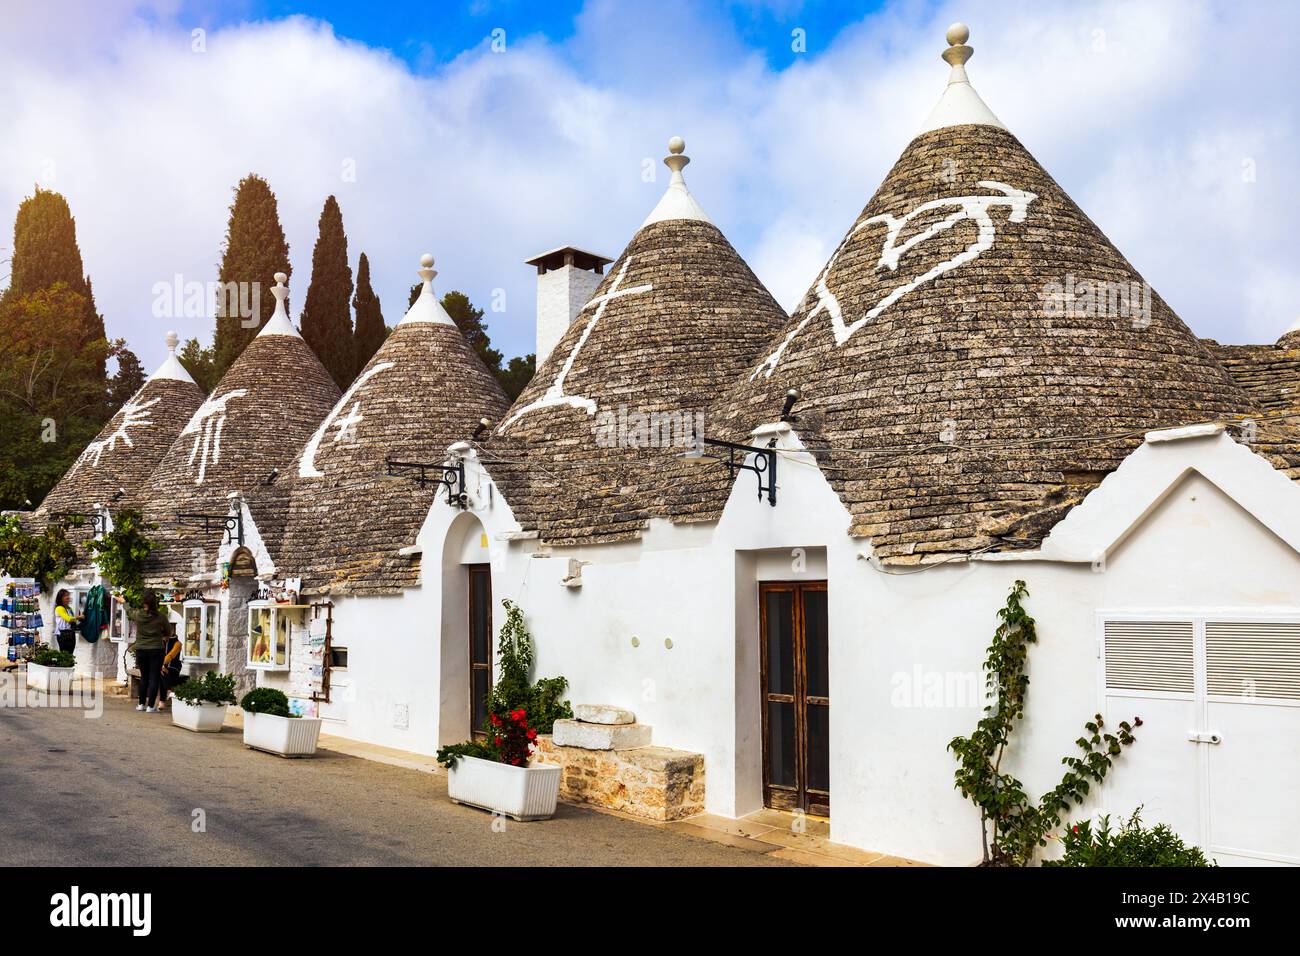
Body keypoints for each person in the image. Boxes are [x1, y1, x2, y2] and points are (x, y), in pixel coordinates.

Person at [127, 591, 173, 713]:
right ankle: (151, 706)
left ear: (144, 603)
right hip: (156, 650)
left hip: (141, 649)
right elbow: (169, 631)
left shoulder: (138, 615)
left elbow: (129, 611)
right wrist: (162, 634)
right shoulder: (161, 617)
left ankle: (141, 704)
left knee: (144, 677)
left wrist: (124, 602)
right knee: (154, 678)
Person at [158, 629, 185, 710]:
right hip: (163, 667)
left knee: (162, 673)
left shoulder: (178, 644)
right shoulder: (163, 642)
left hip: (174, 668)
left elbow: (170, 655)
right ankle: (168, 690)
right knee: (162, 673)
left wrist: (161, 665)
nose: (163, 638)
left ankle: (162, 701)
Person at [52, 589, 83, 655]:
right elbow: (68, 619)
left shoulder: (69, 608)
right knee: (64, 655)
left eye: (68, 595)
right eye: (65, 596)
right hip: (63, 634)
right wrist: (79, 617)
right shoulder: (59, 608)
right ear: (61, 598)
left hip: (71, 633)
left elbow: (73, 620)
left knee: (70, 654)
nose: (68, 597)